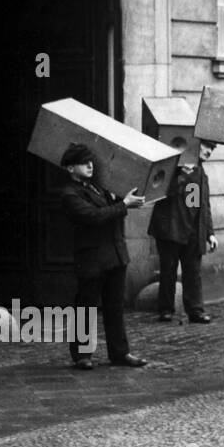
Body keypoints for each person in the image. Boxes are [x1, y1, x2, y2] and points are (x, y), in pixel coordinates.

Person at [58, 143, 147, 370]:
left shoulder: (99, 187)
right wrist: (123, 205)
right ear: (70, 168)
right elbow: (93, 216)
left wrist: (125, 202)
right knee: (86, 305)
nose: (90, 165)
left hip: (115, 255)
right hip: (92, 258)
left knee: (114, 307)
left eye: (90, 161)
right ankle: (81, 355)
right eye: (83, 162)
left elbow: (111, 210)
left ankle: (120, 353)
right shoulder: (70, 193)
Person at [147, 139, 217, 323]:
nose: (209, 151)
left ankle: (195, 310)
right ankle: (165, 309)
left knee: (193, 272)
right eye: (206, 146)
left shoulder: (200, 172)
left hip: (192, 231)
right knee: (168, 270)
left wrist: (209, 232)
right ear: (194, 145)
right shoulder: (173, 167)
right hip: (170, 228)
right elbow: (162, 193)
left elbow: (200, 205)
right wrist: (183, 176)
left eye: (212, 148)